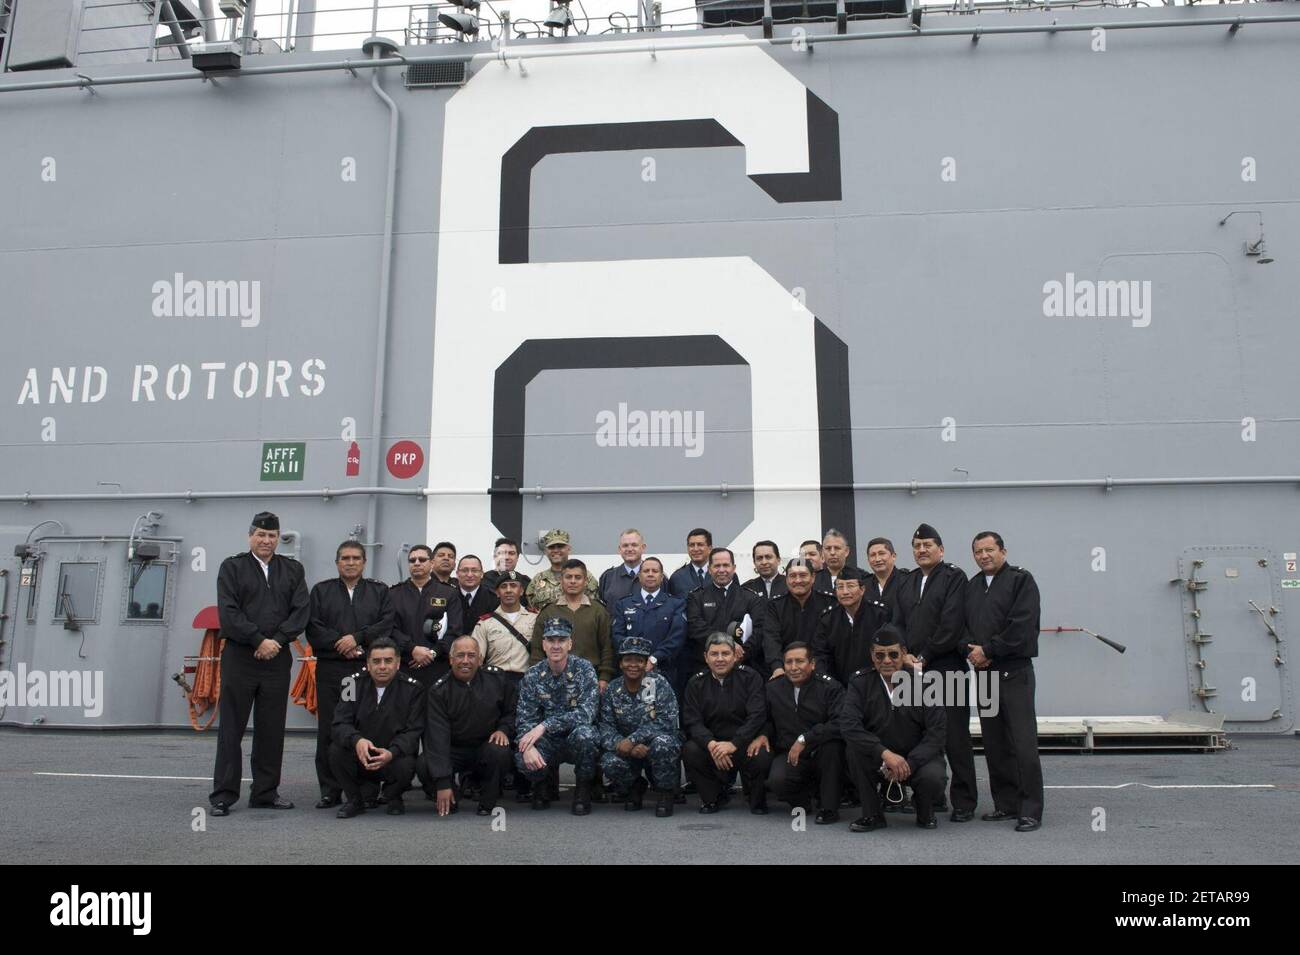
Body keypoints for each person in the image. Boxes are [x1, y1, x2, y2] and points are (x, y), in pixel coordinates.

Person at [210, 511, 310, 816]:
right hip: (241, 657)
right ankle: (224, 796)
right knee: (232, 727)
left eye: (272, 535)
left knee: (271, 728)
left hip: (276, 658)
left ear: (278, 538)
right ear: (250, 536)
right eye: (261, 535)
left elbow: (301, 611)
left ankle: (265, 792)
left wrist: (277, 641)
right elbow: (229, 612)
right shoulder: (232, 567)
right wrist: (258, 640)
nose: (266, 540)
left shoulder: (292, 570)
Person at [892, 523, 977, 822]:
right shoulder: (907, 580)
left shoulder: (954, 577)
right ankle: (931, 795)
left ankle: (964, 801)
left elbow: (952, 623)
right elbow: (897, 621)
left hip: (945, 667)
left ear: (941, 549)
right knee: (915, 734)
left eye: (928, 545)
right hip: (910, 667)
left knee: (954, 736)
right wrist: (904, 654)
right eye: (917, 546)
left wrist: (924, 656)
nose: (922, 550)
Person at [306, 541, 396, 808]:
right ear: (337, 562)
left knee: (368, 725)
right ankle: (330, 789)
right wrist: (340, 643)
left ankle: (367, 787)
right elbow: (312, 627)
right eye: (345, 557)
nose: (350, 562)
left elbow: (386, 623)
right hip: (333, 669)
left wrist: (356, 638)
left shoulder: (379, 591)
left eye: (356, 558)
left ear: (364, 562)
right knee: (330, 727)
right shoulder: (321, 591)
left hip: (366, 670)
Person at [965, 531, 1043, 832]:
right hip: (984, 675)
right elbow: (962, 625)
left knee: (1023, 745)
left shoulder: (1021, 581)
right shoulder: (971, 587)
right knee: (995, 744)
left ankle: (1030, 810)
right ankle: (1006, 804)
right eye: (978, 551)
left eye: (989, 550)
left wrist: (989, 650)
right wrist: (971, 652)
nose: (984, 556)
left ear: (1003, 551)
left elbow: (1021, 626)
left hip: (1015, 673)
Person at [840, 625, 947, 832]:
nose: (886, 660)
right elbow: (849, 726)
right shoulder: (859, 683)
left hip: (916, 760)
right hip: (880, 757)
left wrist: (909, 763)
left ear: (904, 653)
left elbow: (937, 733)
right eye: (879, 655)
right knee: (853, 752)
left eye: (893, 654)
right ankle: (872, 815)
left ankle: (925, 811)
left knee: (933, 776)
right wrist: (884, 754)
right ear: (872, 655)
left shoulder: (926, 685)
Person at [329, 637, 426, 817]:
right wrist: (357, 741)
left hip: (392, 757)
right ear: (368, 663)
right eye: (376, 661)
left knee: (407, 762)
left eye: (388, 661)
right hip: (361, 754)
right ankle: (355, 800)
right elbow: (340, 723)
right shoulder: (350, 684)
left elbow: (413, 731)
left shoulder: (413, 689)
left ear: (397, 663)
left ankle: (394, 796)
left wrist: (392, 752)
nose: (382, 666)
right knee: (336, 751)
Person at [515, 617, 601, 814]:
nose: (556, 646)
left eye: (561, 640)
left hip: (574, 738)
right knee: (522, 756)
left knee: (586, 736)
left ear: (570, 643)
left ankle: (583, 789)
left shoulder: (584, 669)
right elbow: (524, 719)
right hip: (547, 741)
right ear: (543, 644)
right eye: (551, 640)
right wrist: (527, 746)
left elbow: (586, 713)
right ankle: (542, 784)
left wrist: (545, 725)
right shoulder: (533, 675)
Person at [424, 636, 517, 817]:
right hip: (455, 749)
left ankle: (487, 802)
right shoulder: (438, 691)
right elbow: (437, 736)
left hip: (486, 746)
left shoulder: (497, 679)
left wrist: (503, 729)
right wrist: (442, 782)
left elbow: (512, 711)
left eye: (471, 655)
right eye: (460, 656)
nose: (465, 661)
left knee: (500, 750)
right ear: (451, 660)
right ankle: (450, 797)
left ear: (480, 659)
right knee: (424, 763)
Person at [681, 633, 771, 814]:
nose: (720, 659)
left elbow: (757, 715)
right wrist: (711, 744)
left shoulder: (751, 677)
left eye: (725, 653)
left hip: (743, 742)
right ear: (705, 657)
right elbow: (692, 721)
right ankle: (713, 798)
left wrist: (734, 744)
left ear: (735, 655)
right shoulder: (695, 682)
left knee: (761, 753)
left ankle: (756, 798)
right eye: (714, 654)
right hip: (714, 744)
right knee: (691, 749)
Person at [760, 642, 845, 824]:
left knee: (833, 749)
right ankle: (802, 801)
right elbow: (765, 719)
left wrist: (806, 738)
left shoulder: (830, 687)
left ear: (812, 664)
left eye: (799, 661)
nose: (793, 667)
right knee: (777, 780)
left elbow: (840, 722)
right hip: (790, 752)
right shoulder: (773, 688)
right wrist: (762, 734)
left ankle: (829, 808)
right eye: (788, 662)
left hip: (821, 749)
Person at [597, 636, 681, 817]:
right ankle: (635, 787)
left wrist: (634, 739)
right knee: (608, 761)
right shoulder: (612, 689)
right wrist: (622, 744)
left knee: (664, 743)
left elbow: (668, 721)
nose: (633, 665)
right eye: (628, 660)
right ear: (620, 664)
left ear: (646, 664)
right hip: (627, 750)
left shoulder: (658, 683)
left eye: (639, 660)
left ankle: (665, 793)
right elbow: (605, 727)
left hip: (653, 747)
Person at [530, 559, 615, 690]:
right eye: (568, 577)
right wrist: (538, 677)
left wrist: (604, 677)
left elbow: (607, 647)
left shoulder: (598, 611)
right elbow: (537, 649)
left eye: (578, 577)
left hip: (590, 679)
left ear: (585, 581)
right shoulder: (549, 611)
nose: (573, 581)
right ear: (561, 580)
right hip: (554, 680)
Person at [610, 557, 687, 698]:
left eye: (655, 571)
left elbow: (677, 637)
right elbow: (617, 635)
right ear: (639, 576)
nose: (650, 574)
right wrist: (634, 660)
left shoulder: (675, 604)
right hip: (631, 672)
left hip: (664, 671)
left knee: (661, 714)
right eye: (646, 571)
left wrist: (654, 659)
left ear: (662, 576)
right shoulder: (624, 604)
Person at [686, 547, 771, 673]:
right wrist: (727, 645)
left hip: (743, 666)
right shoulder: (697, 597)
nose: (721, 570)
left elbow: (760, 630)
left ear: (734, 568)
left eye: (726, 565)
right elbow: (696, 627)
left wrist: (741, 654)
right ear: (709, 569)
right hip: (706, 669)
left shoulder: (750, 597)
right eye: (717, 566)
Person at [389, 544, 462, 686]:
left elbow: (455, 630)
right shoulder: (393, 594)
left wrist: (432, 653)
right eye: (412, 560)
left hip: (438, 667)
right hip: (405, 665)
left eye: (422, 559)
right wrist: (412, 649)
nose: (416, 563)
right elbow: (389, 628)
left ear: (432, 563)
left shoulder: (448, 593)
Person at [811, 566, 890, 685]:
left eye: (850, 586)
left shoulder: (879, 614)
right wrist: (829, 683)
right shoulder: (828, 618)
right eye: (840, 587)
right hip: (838, 686)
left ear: (862, 589)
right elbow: (821, 654)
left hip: (874, 684)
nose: (845, 592)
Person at [763, 558, 835, 679]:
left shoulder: (829, 602)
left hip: (823, 670)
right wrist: (777, 668)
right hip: (787, 670)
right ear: (786, 579)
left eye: (803, 575)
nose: (798, 580)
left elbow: (830, 643)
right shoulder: (775, 606)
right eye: (792, 576)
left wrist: (819, 671)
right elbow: (771, 639)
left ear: (813, 577)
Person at [469, 571, 536, 683]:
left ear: (521, 591)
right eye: (503, 586)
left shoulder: (535, 619)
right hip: (495, 681)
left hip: (527, 682)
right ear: (497, 592)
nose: (508, 590)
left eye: (513, 585)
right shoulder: (485, 623)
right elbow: (477, 659)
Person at [525, 529, 601, 612]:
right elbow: (531, 609)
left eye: (560, 546)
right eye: (551, 547)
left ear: (569, 549)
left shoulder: (586, 577)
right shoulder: (538, 579)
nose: (556, 550)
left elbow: (595, 606)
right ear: (546, 551)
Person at [598, 528, 647, 609]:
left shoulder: (657, 577)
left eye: (634, 545)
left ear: (643, 547)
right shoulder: (608, 577)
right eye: (625, 545)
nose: (630, 549)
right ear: (620, 549)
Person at [865, 537, 911, 613]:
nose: (877, 559)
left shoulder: (907, 581)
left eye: (881, 553)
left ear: (893, 556)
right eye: (872, 555)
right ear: (868, 560)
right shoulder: (864, 586)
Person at [668, 528, 713, 598]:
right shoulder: (677, 577)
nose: (695, 549)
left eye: (700, 544)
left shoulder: (721, 574)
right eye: (692, 545)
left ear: (710, 548)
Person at [456, 555, 500, 625]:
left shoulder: (493, 599)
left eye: (474, 570)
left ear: (482, 574)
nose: (470, 575)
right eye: (465, 570)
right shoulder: (449, 596)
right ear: (457, 574)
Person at [814, 529, 857, 593]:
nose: (832, 552)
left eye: (837, 548)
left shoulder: (860, 577)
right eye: (828, 548)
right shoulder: (814, 579)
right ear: (822, 552)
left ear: (846, 551)